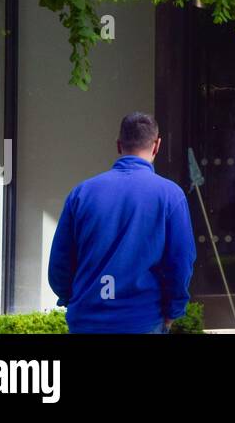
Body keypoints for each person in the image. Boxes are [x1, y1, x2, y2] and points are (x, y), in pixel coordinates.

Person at [49, 112, 197, 333]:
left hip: (87, 321)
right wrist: (172, 312)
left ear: (119, 145)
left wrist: (73, 299)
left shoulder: (81, 194)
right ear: (157, 145)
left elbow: (60, 264)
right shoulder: (170, 196)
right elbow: (181, 262)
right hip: (143, 320)